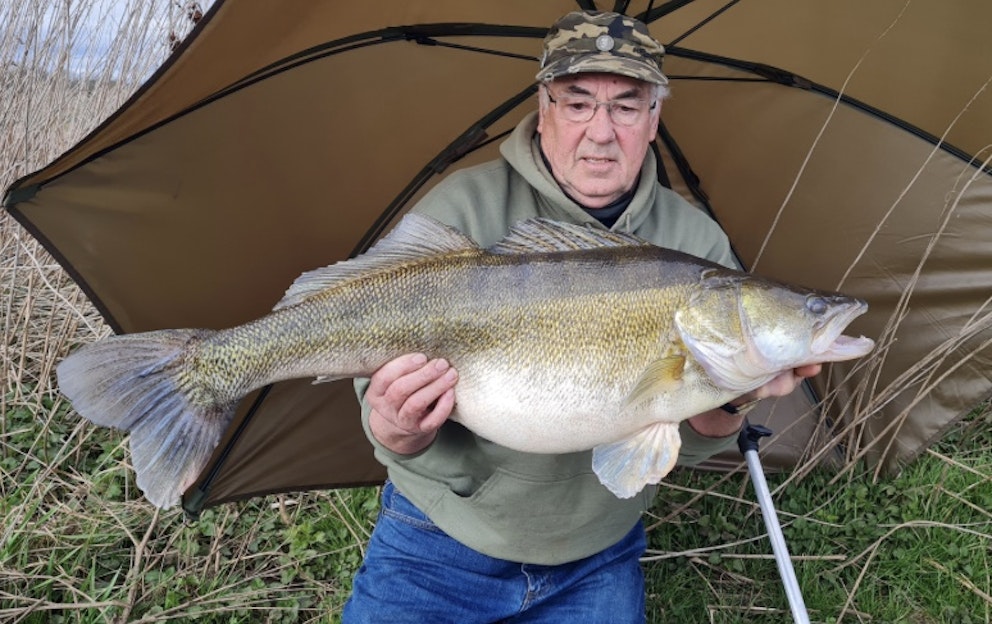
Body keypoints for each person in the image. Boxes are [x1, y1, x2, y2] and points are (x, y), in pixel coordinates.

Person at [342, 10, 821, 623]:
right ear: (543, 108)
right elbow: (373, 391)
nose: (601, 132)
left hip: (596, 553)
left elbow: (685, 444)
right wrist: (397, 430)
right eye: (577, 103)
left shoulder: (695, 244)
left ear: (654, 120)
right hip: (437, 538)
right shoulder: (463, 207)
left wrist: (732, 402)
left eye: (626, 106)